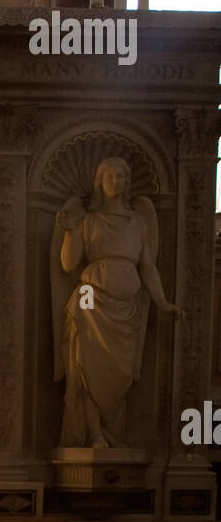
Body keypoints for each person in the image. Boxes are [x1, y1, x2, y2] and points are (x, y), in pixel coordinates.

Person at [53, 156, 181, 449]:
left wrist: (162, 302)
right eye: (110, 177)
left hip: (127, 306)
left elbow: (147, 266)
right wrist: (71, 231)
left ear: (127, 183)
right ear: (101, 182)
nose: (116, 182)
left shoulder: (137, 220)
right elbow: (69, 265)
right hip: (90, 299)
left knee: (119, 374)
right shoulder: (88, 220)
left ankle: (114, 435)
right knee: (85, 367)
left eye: (121, 177)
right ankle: (95, 435)